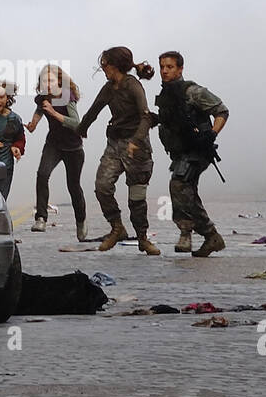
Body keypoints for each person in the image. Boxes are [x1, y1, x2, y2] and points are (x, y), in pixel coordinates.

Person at [77, 46, 161, 254]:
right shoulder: (108, 88)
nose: (102, 68)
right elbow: (94, 110)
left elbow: (146, 116)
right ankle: (117, 227)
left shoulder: (133, 86)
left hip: (137, 148)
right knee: (102, 186)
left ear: (113, 66)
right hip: (114, 145)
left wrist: (136, 141)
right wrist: (81, 129)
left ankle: (142, 238)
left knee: (137, 197)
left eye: (105, 64)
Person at [154, 50, 229, 257]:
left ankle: (189, 234)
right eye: (162, 67)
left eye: (170, 67)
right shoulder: (167, 94)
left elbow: (221, 110)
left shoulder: (193, 92)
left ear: (180, 69)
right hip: (180, 152)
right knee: (187, 193)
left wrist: (212, 134)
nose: (164, 71)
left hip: (197, 150)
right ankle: (209, 237)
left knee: (179, 185)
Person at [24, 64, 88, 241]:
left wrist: (53, 112)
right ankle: (41, 218)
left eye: (50, 80)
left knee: (73, 186)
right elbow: (39, 109)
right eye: (44, 81)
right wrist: (33, 124)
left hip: (73, 147)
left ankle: (81, 221)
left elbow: (76, 122)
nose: (47, 83)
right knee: (42, 174)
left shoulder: (67, 96)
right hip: (53, 144)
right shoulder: (43, 97)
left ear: (59, 80)